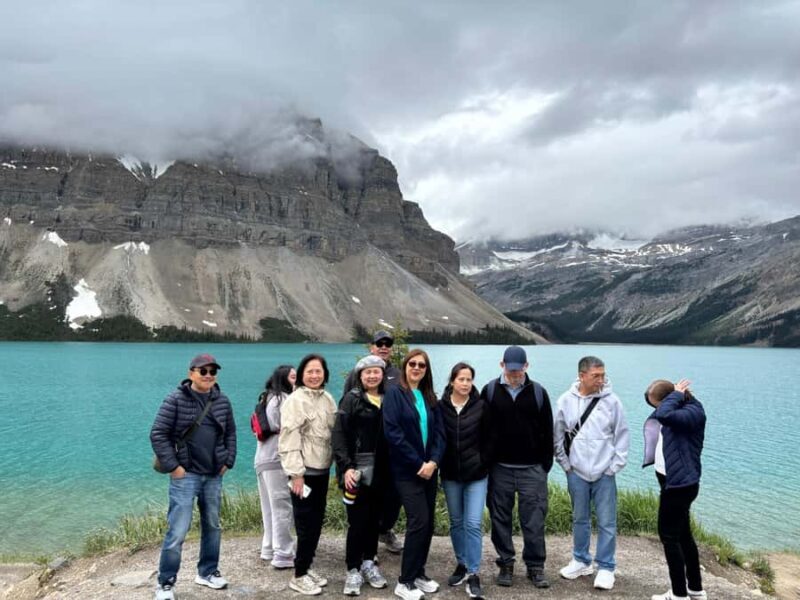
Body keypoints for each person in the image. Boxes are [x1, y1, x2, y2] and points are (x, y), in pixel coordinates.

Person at [150, 353, 237, 600]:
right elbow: (158, 434)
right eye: (203, 371)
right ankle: (165, 583)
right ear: (191, 374)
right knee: (178, 530)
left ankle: (207, 572)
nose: (208, 375)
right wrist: (174, 467)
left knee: (213, 525)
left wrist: (228, 461)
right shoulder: (175, 399)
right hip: (185, 475)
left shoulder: (222, 401)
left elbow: (231, 433)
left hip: (213, 474)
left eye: (212, 372)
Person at [553, 356, 630, 591]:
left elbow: (622, 435)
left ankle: (606, 567)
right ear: (582, 376)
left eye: (603, 375)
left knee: (607, 521)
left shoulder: (612, 402)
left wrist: (613, 467)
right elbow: (557, 435)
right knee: (579, 518)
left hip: (604, 472)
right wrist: (566, 465)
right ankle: (581, 561)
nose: (601, 380)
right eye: (596, 376)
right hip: (576, 472)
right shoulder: (565, 401)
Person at [482, 345, 553, 589]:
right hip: (499, 468)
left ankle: (535, 566)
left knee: (534, 520)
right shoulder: (490, 390)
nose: (514, 374)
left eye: (518, 369)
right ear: (502, 365)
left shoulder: (539, 392)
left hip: (532, 469)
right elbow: (483, 428)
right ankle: (506, 563)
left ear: (526, 366)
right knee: (500, 518)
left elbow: (548, 430)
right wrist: (486, 462)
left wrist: (545, 465)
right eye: (510, 369)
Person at [383, 349, 445, 600]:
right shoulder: (394, 394)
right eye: (413, 364)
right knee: (418, 521)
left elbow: (440, 434)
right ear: (405, 366)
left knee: (428, 523)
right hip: (407, 471)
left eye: (422, 365)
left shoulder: (429, 396)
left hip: (429, 470)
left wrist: (434, 462)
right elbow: (393, 433)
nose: (417, 368)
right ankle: (405, 581)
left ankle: (419, 573)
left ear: (426, 370)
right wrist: (419, 463)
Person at [332, 355, 391, 596]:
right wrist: (346, 467)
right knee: (357, 521)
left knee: (374, 520)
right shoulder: (351, 399)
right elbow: (339, 436)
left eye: (377, 371)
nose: (372, 376)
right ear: (360, 376)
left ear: (382, 375)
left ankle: (369, 563)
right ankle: (353, 569)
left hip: (383, 469)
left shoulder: (389, 398)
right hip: (357, 469)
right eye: (368, 372)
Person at [278, 354, 337, 596]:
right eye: (310, 371)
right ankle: (299, 575)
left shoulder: (327, 399)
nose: (314, 375)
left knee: (316, 523)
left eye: (318, 371)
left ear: (324, 374)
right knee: (305, 524)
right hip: (303, 473)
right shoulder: (295, 400)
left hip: (322, 470)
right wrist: (296, 474)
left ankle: (306, 566)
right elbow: (289, 439)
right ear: (302, 374)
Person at [342, 329, 404, 556]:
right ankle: (366, 547)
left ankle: (384, 530)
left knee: (394, 496)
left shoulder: (398, 374)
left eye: (388, 344)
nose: (384, 347)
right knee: (365, 499)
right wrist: (347, 457)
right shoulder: (356, 374)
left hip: (392, 451)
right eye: (379, 343)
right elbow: (347, 411)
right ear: (372, 347)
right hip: (365, 452)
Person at [644, 379, 707, 600]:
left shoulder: (692, 412)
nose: (656, 410)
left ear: (671, 399)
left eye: (657, 404)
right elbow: (662, 415)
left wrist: (675, 395)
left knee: (669, 537)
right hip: (674, 482)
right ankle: (695, 589)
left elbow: (664, 415)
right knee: (684, 535)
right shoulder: (677, 409)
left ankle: (679, 594)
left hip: (680, 484)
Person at [440, 362, 492, 600]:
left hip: (476, 475)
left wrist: (483, 461)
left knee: (472, 523)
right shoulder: (441, 407)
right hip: (451, 474)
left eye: (469, 379)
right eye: (461, 379)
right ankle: (461, 563)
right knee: (456, 522)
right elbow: (437, 438)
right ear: (452, 381)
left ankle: (473, 572)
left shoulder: (481, 406)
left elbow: (491, 439)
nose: (465, 383)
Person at [254, 364, 297, 569]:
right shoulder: (283, 399)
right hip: (278, 459)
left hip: (263, 459)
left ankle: (269, 547)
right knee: (283, 506)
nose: (297, 381)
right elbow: (288, 427)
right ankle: (284, 553)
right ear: (283, 379)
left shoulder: (267, 398)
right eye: (293, 377)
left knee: (269, 507)